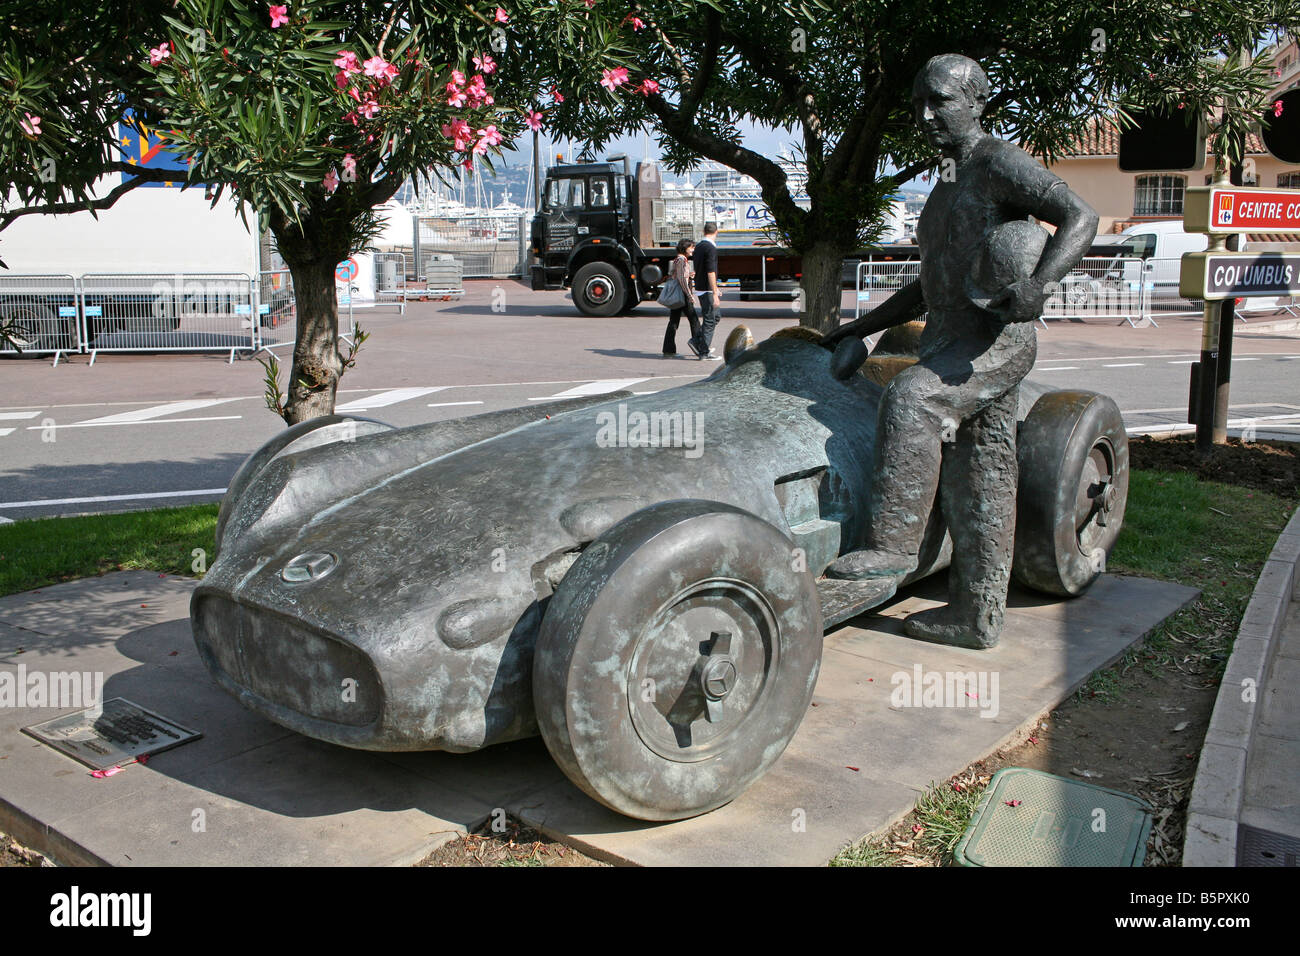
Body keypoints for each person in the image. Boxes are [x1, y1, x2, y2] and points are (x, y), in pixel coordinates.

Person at [821, 53, 1098, 649]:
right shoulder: (947, 179)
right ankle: (975, 616)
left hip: (991, 343)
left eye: (940, 101)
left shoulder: (997, 162)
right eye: (919, 102)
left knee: (912, 398)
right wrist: (858, 328)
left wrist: (1039, 283)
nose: (925, 114)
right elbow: (931, 283)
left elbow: (1080, 215)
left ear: (977, 101)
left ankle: (892, 545)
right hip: (951, 338)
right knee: (982, 474)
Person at [662, 238, 705, 358]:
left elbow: (680, 276)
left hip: (679, 296)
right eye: (691, 247)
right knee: (694, 320)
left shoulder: (679, 260)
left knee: (674, 322)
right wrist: (690, 295)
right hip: (683, 295)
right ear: (685, 248)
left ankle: (668, 350)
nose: (693, 250)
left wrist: (690, 275)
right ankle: (699, 347)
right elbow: (681, 280)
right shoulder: (682, 260)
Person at [691, 221, 723, 359]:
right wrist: (715, 292)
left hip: (700, 286)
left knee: (715, 316)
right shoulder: (710, 248)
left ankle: (697, 340)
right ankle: (703, 352)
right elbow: (711, 271)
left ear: (704, 232)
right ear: (716, 232)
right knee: (710, 319)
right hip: (707, 289)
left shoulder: (698, 246)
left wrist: (715, 288)